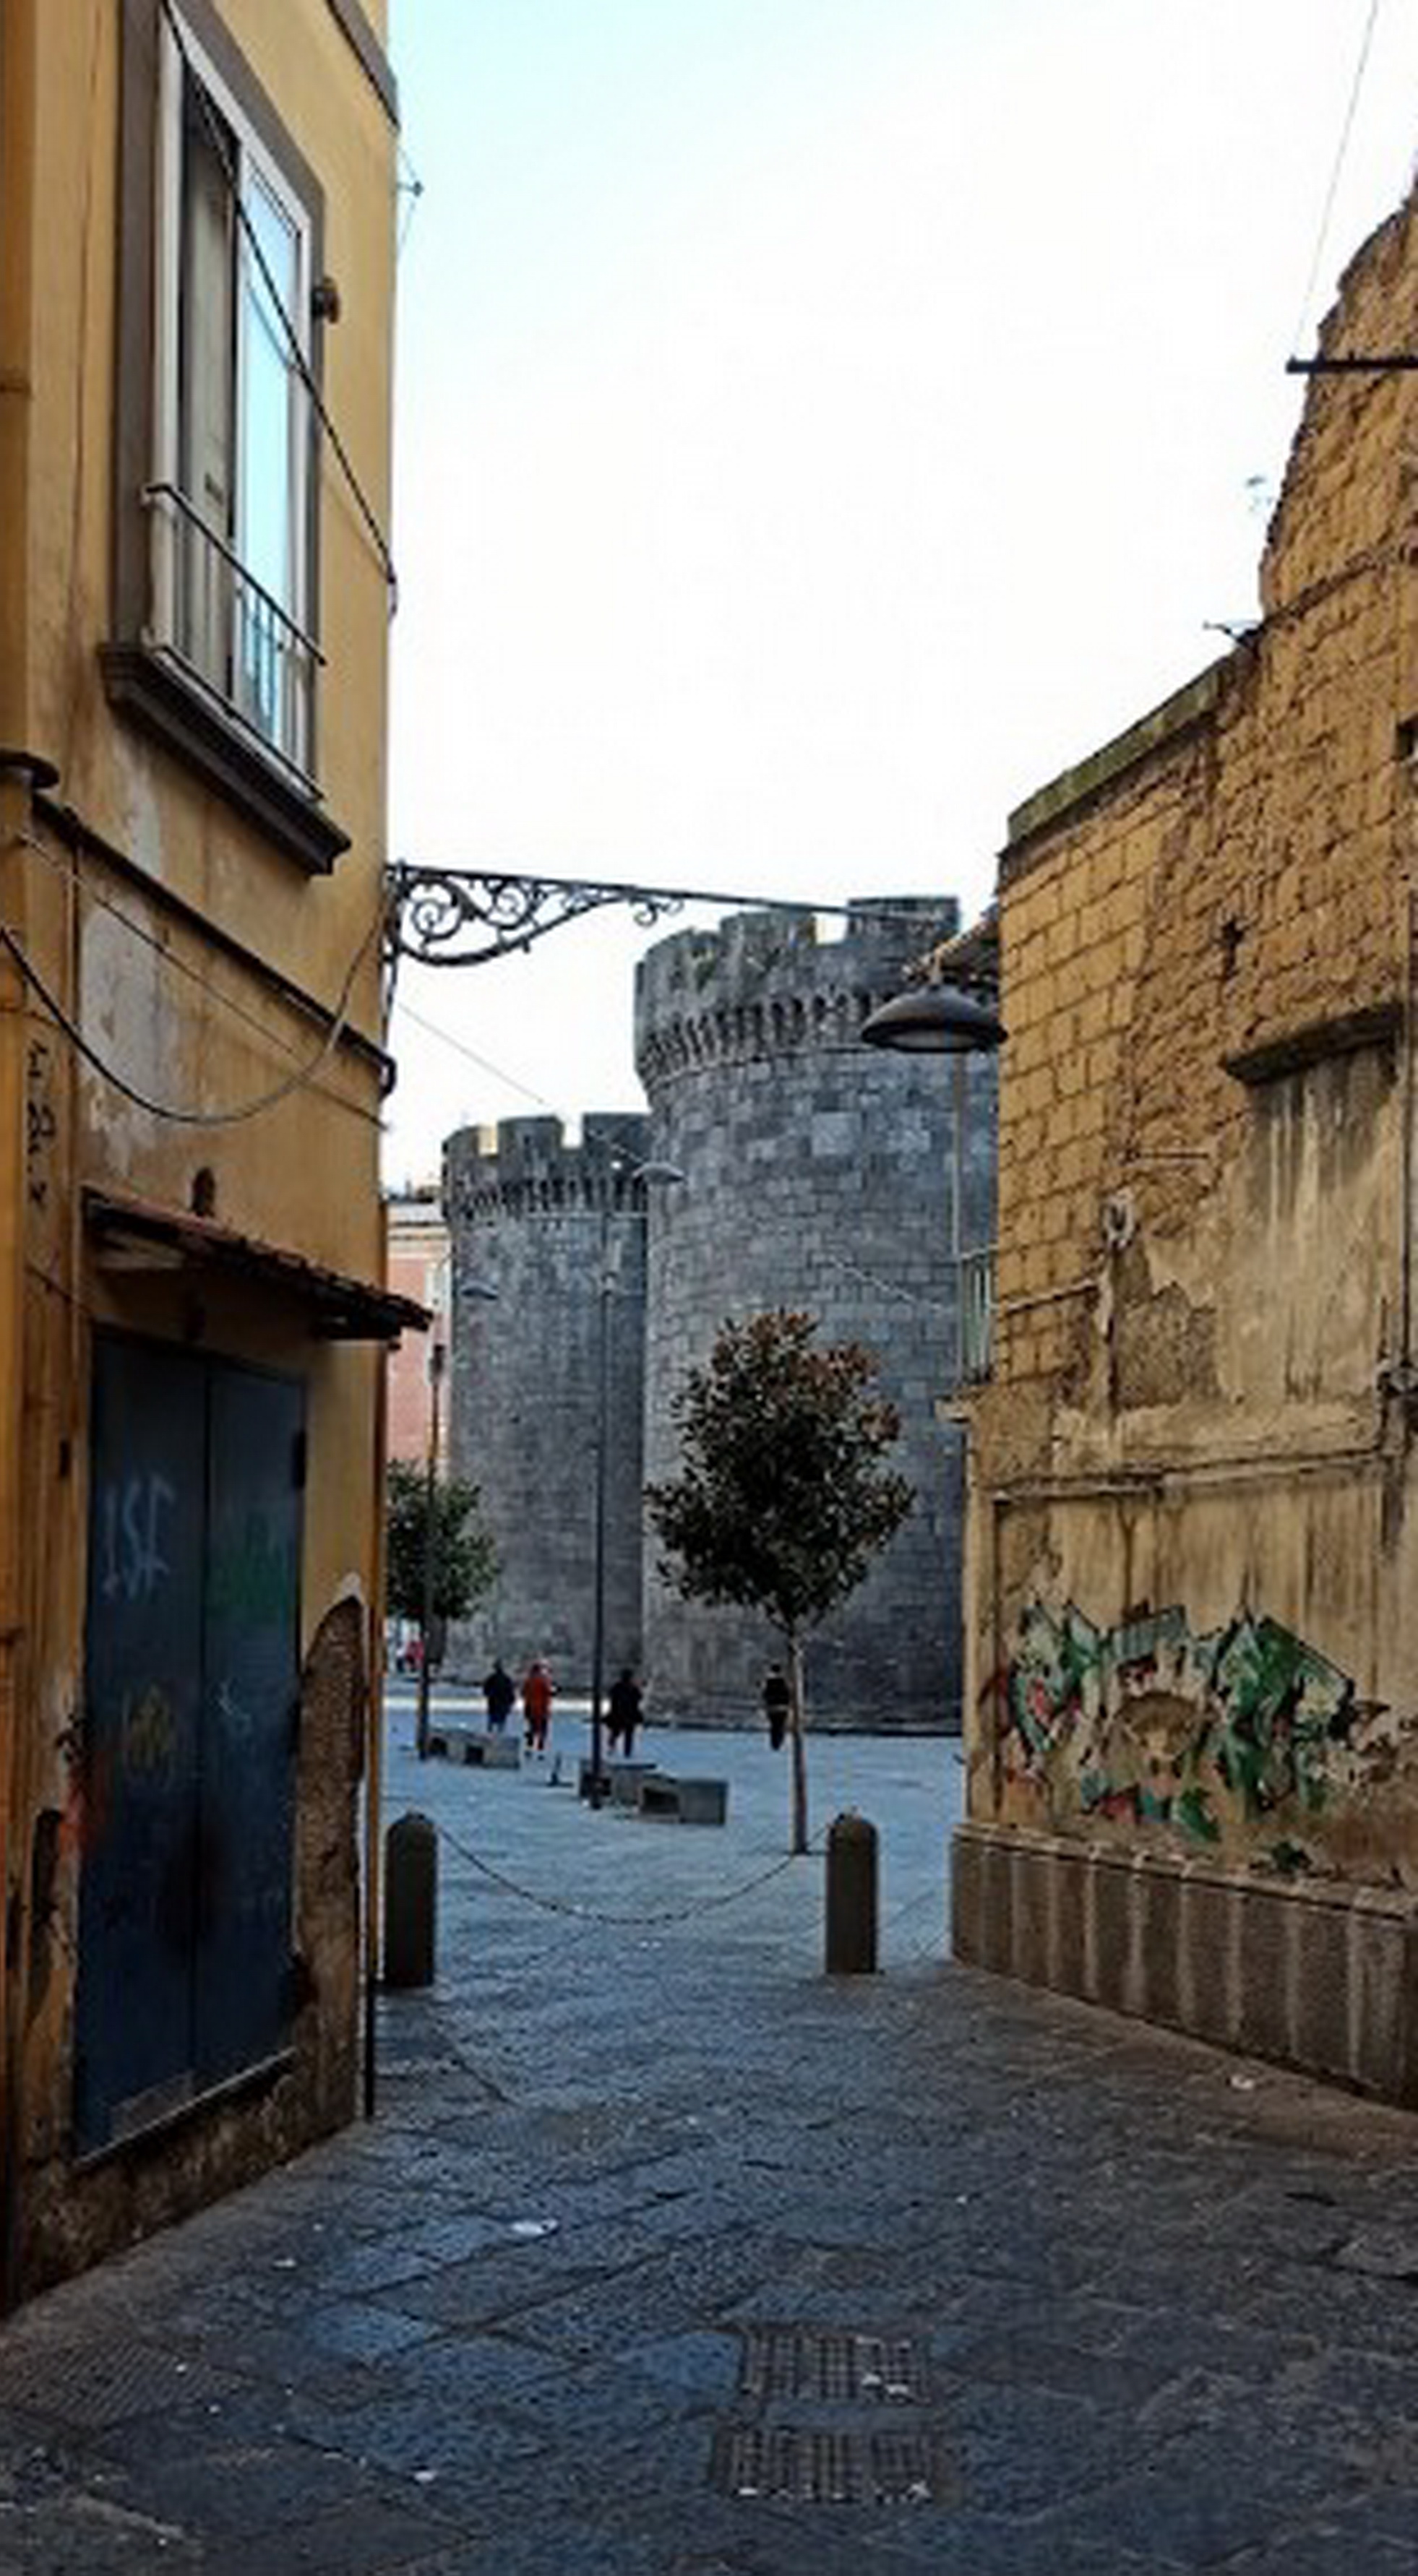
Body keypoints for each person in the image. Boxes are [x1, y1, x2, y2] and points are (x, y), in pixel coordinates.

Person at [606, 1667, 643, 1759]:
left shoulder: (618, 1687)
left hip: (618, 1714)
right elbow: (638, 1698)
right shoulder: (633, 1688)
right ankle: (627, 1752)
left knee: (616, 1733)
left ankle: (613, 1748)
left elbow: (612, 1698)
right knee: (628, 1735)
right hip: (629, 1714)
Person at [521, 1658, 554, 1754]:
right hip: (542, 1708)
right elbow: (548, 1692)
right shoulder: (544, 1680)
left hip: (530, 1708)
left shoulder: (529, 1680)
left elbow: (524, 1693)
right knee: (542, 1731)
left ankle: (529, 1748)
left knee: (531, 1729)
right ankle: (540, 1750)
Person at [482, 1658, 515, 1734]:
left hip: (493, 1703)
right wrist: (510, 1702)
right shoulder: (507, 1679)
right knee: (501, 1722)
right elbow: (511, 1692)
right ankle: (500, 1735)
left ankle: (490, 1735)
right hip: (503, 1704)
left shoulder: (491, 1679)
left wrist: (490, 1695)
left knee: (492, 1722)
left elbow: (485, 1691)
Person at [763, 1661, 790, 1751]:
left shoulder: (769, 1682)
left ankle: (775, 1743)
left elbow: (765, 1695)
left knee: (774, 1726)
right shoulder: (784, 1682)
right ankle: (779, 1742)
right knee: (781, 1726)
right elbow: (788, 1694)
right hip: (782, 1708)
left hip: (772, 1708)